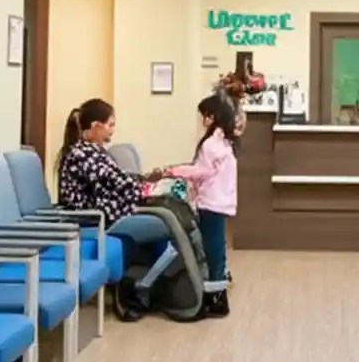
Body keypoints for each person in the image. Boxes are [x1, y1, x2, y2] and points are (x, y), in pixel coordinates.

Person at [56, 98, 171, 322]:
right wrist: (144, 187)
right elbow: (116, 183)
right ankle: (137, 290)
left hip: (108, 212)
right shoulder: (81, 155)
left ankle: (157, 288)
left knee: (164, 221)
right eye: (110, 124)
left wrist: (145, 182)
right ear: (96, 126)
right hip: (96, 219)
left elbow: (118, 180)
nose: (113, 130)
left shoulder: (95, 152)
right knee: (166, 224)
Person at [161, 93, 238, 317]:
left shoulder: (211, 144)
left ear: (210, 117)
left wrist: (173, 171)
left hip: (211, 203)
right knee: (217, 250)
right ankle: (218, 295)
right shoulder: (224, 141)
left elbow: (201, 171)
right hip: (221, 202)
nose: (201, 120)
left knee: (211, 251)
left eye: (203, 116)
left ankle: (213, 298)